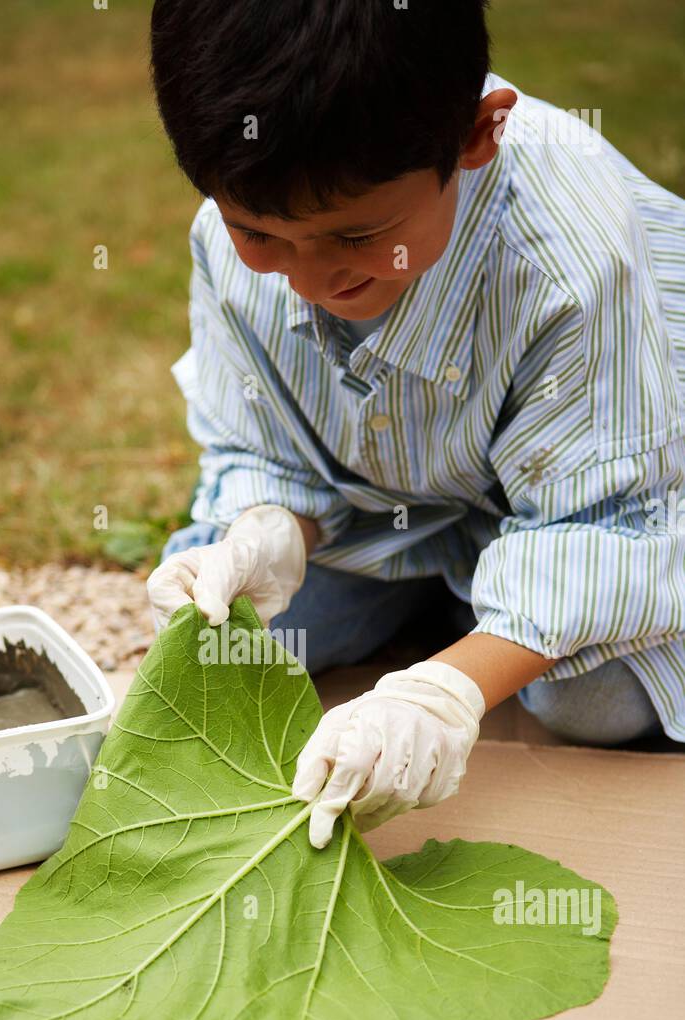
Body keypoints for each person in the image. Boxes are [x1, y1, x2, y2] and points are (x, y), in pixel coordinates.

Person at [146, 0, 684, 849]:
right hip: (388, 512)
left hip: (604, 486)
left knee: (598, 704)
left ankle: (458, 628)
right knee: (217, 636)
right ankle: (453, 603)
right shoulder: (230, 230)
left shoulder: (571, 258)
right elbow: (261, 444)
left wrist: (440, 696)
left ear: (476, 137)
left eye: (357, 235)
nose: (314, 277)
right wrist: (261, 531)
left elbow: (604, 521)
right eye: (260, 233)